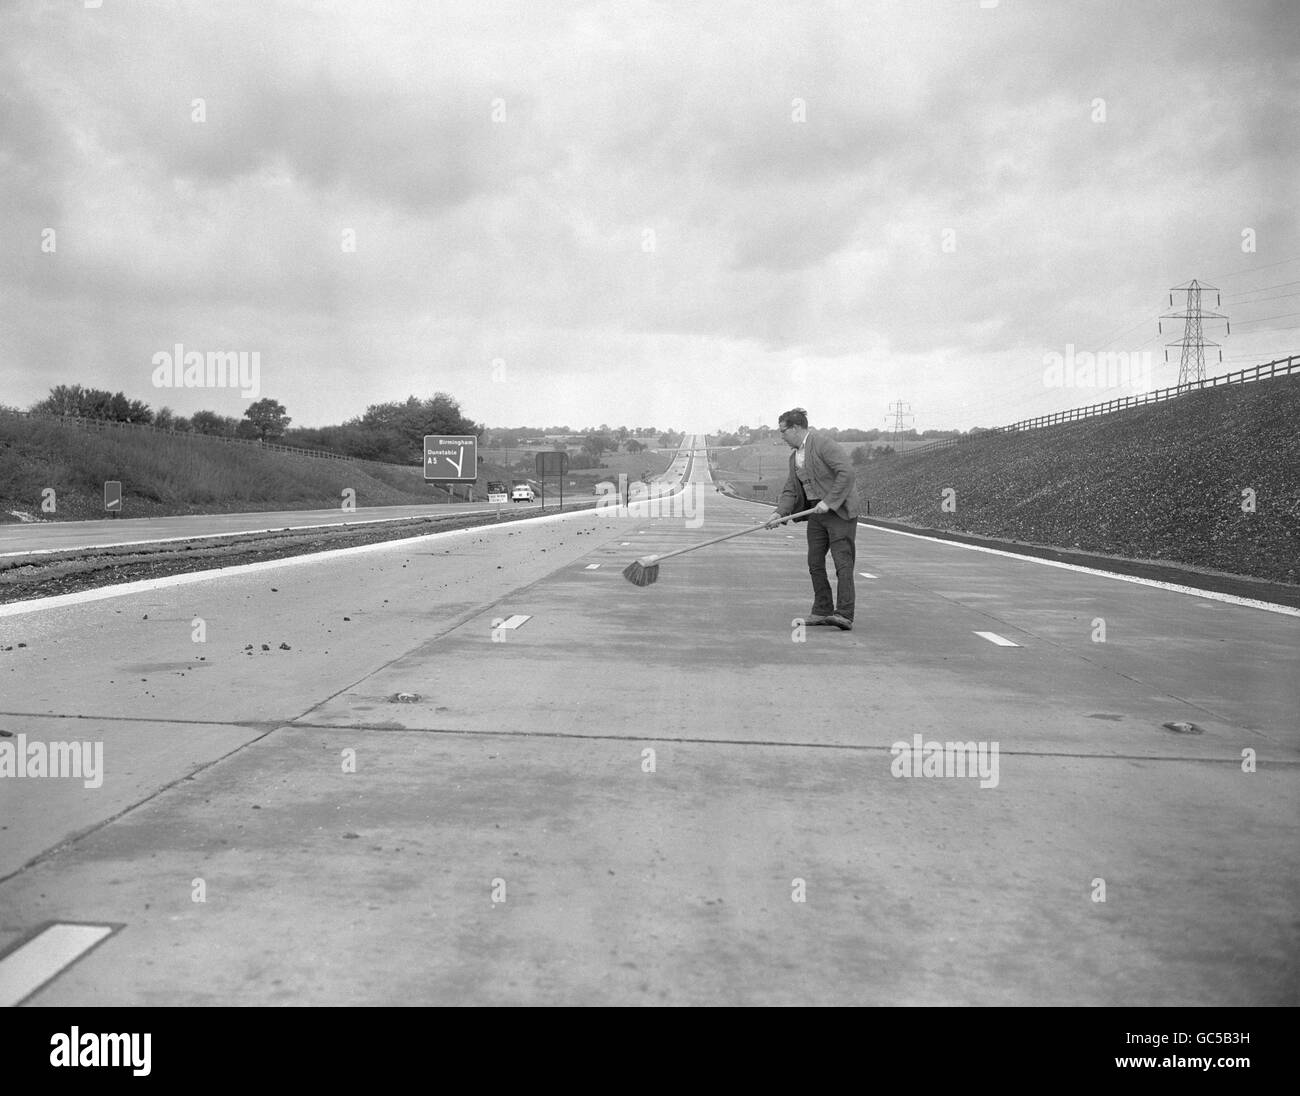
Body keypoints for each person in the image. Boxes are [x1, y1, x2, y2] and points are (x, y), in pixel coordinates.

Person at [765, 408, 860, 630]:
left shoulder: (823, 444)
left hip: (839, 512)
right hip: (816, 514)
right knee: (815, 562)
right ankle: (822, 610)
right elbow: (791, 489)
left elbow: (847, 473)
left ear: (796, 428)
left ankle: (844, 613)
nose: (781, 436)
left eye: (783, 431)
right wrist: (779, 513)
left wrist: (829, 501)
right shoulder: (794, 457)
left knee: (842, 562)